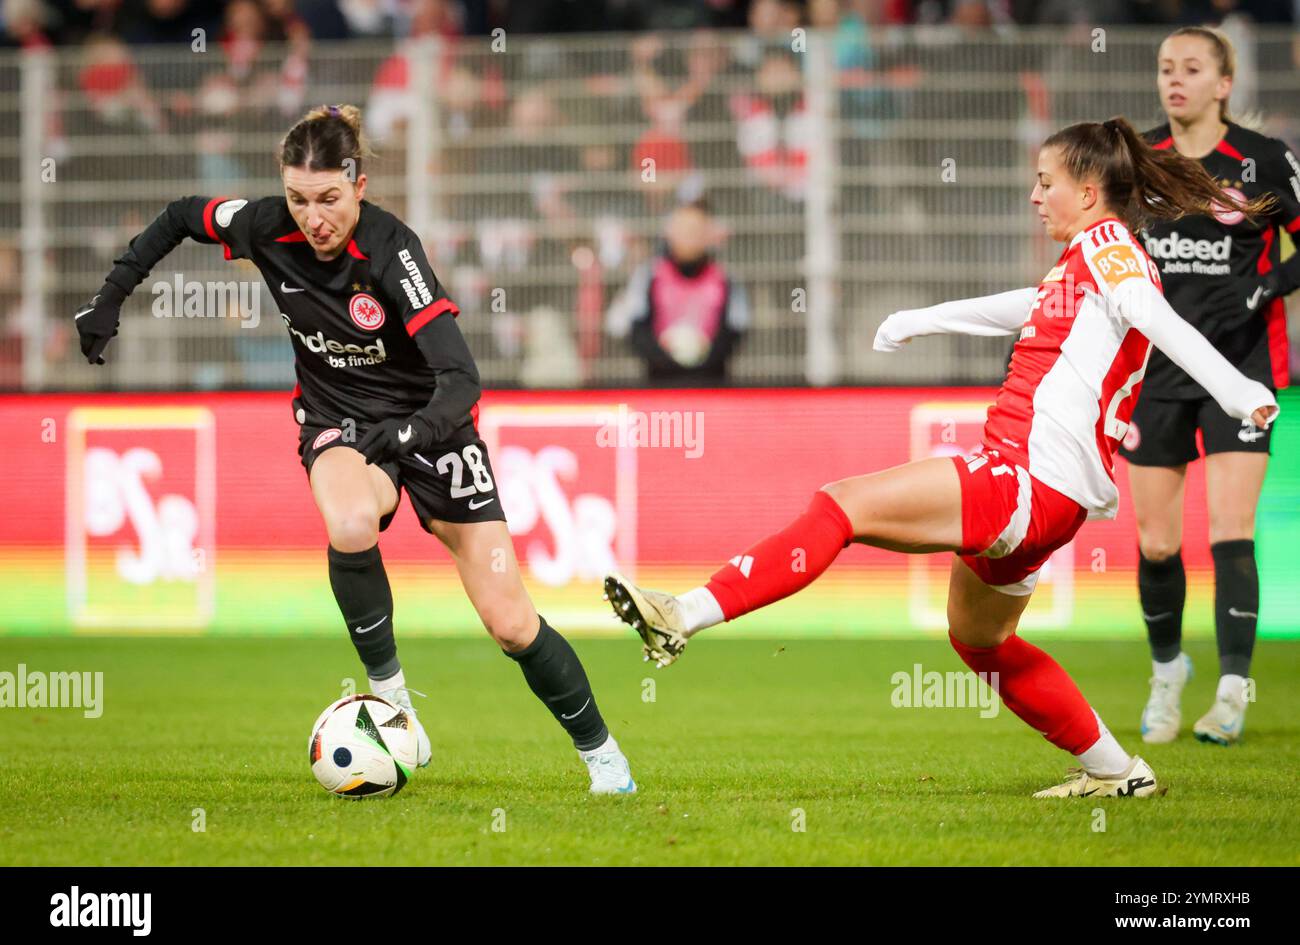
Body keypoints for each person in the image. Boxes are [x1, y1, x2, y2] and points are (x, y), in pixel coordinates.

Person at [604, 116, 1278, 798]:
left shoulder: (1109, 245)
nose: (1035, 196)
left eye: (1047, 183)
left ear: (1091, 187)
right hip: (1050, 500)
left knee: (840, 505)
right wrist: (923, 319)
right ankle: (1116, 771)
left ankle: (681, 614)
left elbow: (1150, 315)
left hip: (1023, 479)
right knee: (980, 642)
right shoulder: (1091, 260)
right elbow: (1033, 304)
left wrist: (1234, 389)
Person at [73, 104, 636, 794]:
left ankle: (605, 758)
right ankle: (391, 698)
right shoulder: (262, 226)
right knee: (347, 521)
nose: (314, 218)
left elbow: (461, 379)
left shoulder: (394, 250)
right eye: (299, 199)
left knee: (512, 624)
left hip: (432, 431)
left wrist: (408, 435)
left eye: (330, 199)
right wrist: (110, 297)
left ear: (359, 184)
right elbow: (181, 215)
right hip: (338, 425)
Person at [1123, 26, 1300, 747]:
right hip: (1156, 373)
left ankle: (1231, 693)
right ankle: (1168, 676)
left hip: (1241, 371)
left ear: (1223, 84)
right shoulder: (1137, 160)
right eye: (1167, 67)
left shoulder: (1263, 161)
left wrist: (1262, 291)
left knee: (1230, 532)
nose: (1176, 79)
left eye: (1192, 68)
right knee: (1156, 543)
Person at [606, 200, 749, 385]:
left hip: (710, 383)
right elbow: (636, 329)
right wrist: (666, 361)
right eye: (683, 229)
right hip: (660, 385)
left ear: (710, 234)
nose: (689, 236)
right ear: (669, 232)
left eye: (696, 229)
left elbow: (732, 333)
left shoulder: (726, 280)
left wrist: (700, 363)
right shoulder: (648, 277)